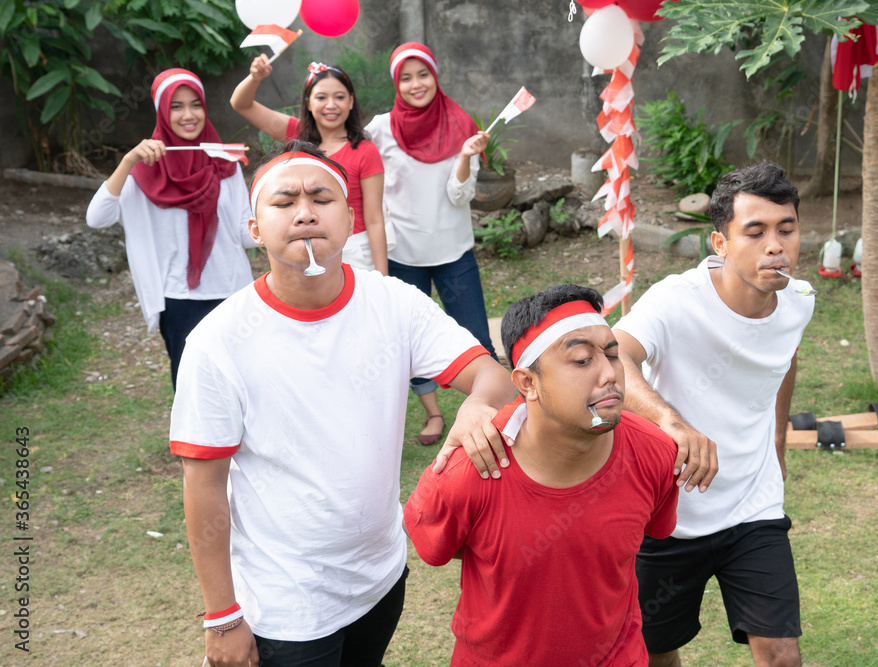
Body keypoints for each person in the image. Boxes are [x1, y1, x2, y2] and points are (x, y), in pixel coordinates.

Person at [169, 142, 516, 667]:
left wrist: (476, 405)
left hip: (380, 576)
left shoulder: (391, 303)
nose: (305, 211)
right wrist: (222, 617)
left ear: (351, 218)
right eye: (284, 202)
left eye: (321, 198)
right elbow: (205, 485)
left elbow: (494, 377)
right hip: (286, 605)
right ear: (255, 229)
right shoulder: (218, 341)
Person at [405, 285, 681, 666]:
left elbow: (648, 528)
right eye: (582, 360)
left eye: (613, 354)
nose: (609, 374)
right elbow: (438, 547)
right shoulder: (469, 470)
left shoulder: (654, 450)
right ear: (528, 384)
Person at [612, 161, 814, 667]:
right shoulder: (675, 302)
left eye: (786, 229)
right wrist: (670, 422)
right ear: (719, 243)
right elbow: (615, 356)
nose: (776, 245)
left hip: (753, 506)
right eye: (756, 231)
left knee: (782, 655)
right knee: (656, 651)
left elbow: (785, 360)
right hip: (668, 511)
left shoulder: (800, 302)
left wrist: (778, 441)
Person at [86, 68, 256, 389]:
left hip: (234, 291)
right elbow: (97, 218)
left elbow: (246, 235)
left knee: (242, 384)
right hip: (179, 299)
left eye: (196, 104)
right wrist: (127, 162)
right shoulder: (144, 170)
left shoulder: (224, 163)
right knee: (193, 387)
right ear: (162, 111)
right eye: (176, 106)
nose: (188, 115)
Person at [367, 41, 497, 447]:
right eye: (405, 77)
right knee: (412, 343)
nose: (415, 84)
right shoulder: (379, 129)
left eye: (422, 74)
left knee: (476, 336)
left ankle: (490, 413)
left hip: (454, 250)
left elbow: (460, 196)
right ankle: (434, 415)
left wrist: (464, 156)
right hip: (403, 252)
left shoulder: (461, 124)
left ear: (435, 76)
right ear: (395, 84)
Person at [230, 55, 389, 275]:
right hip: (303, 249)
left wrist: (382, 276)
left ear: (351, 102)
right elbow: (241, 104)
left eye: (340, 97)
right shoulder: (296, 135)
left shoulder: (365, 150)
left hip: (355, 251)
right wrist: (255, 77)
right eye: (321, 97)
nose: (331, 105)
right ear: (308, 102)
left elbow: (374, 219)